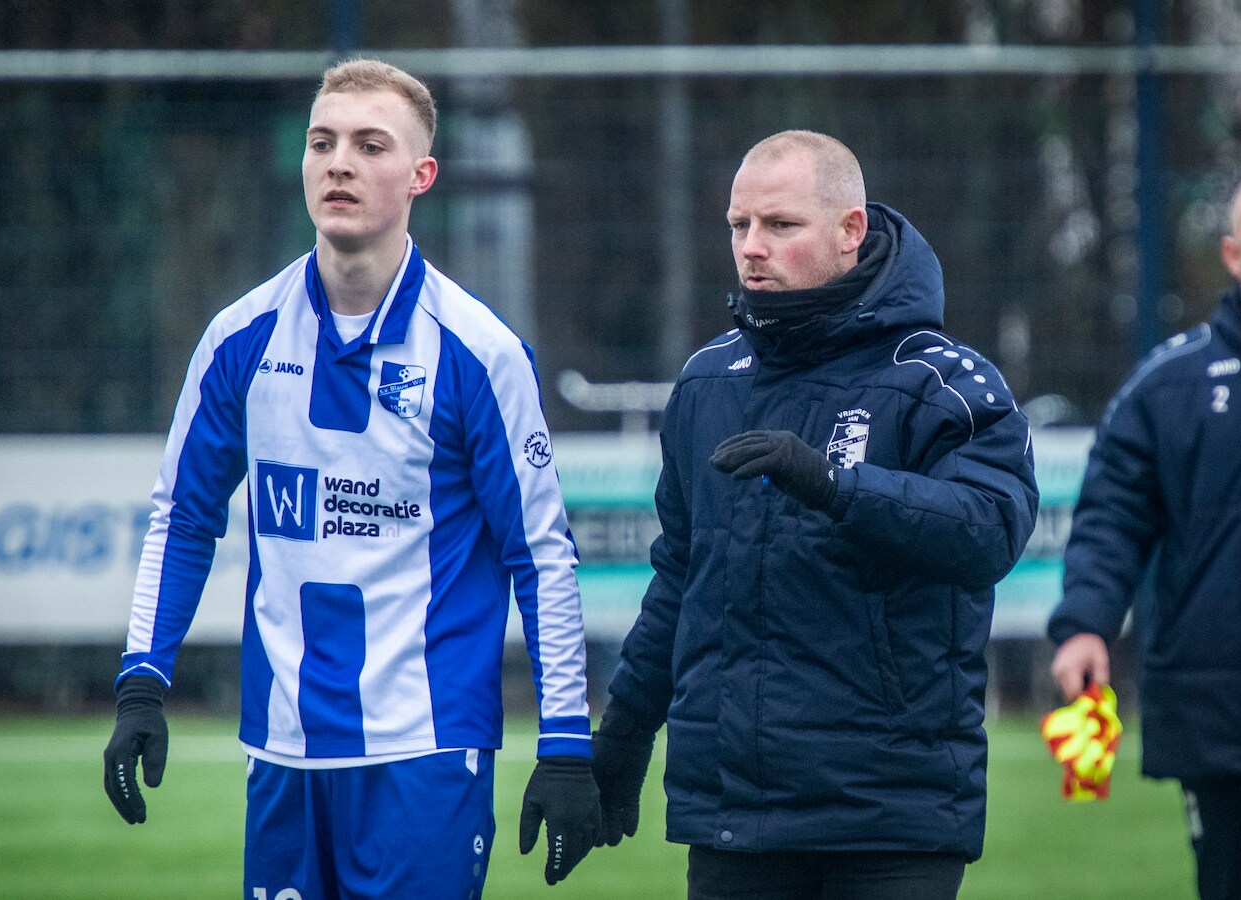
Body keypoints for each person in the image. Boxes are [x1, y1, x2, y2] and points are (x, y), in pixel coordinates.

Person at [100, 58, 600, 898]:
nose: (339, 163)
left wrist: (565, 745)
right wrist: (142, 684)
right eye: (322, 142)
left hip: (425, 751)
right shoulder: (239, 338)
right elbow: (182, 519)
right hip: (282, 750)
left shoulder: (479, 353)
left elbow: (542, 556)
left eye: (370, 146)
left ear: (421, 176)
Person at [588, 130, 1039, 900]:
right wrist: (625, 732)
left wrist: (836, 487)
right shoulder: (707, 382)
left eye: (780, 225)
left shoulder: (941, 381)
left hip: (889, 815)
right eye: (739, 225)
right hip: (736, 817)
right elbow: (680, 581)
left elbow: (989, 531)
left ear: (850, 230)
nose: (752, 247)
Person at [1048, 166, 1241, 900]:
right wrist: (1085, 625)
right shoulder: (1168, 386)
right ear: (1233, 255)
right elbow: (1111, 519)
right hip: (1216, 713)